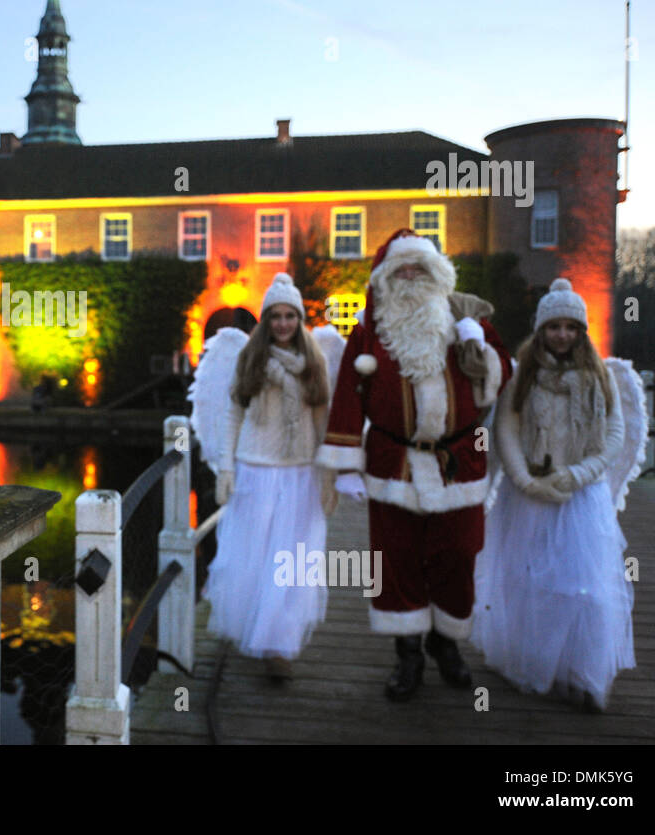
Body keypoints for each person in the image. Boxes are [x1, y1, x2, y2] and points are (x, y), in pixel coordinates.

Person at [316, 229, 512, 701]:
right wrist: (345, 466)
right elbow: (348, 393)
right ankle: (408, 655)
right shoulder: (369, 329)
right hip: (392, 461)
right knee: (397, 560)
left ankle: (446, 644)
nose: (410, 274)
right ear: (385, 276)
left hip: (457, 461)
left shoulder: (466, 319)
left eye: (418, 266)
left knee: (459, 555)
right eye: (401, 267)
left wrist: (479, 348)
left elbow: (499, 376)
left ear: (435, 272)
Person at [472, 278, 634, 712]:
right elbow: (505, 427)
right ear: (541, 330)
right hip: (529, 495)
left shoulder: (598, 376)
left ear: (580, 332)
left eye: (569, 327)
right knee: (531, 582)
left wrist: (580, 473)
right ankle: (533, 661)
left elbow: (614, 434)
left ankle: (583, 672)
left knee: (584, 587)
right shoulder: (522, 373)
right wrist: (524, 479)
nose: (561, 335)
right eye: (553, 327)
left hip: (581, 495)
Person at [204, 273, 338, 681]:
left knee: (292, 560)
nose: (282, 324)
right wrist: (226, 468)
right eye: (275, 316)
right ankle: (254, 627)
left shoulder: (314, 363)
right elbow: (234, 414)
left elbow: (323, 422)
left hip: (299, 474)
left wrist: (328, 476)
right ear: (265, 320)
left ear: (299, 319)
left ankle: (278, 644)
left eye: (290, 316)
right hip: (256, 471)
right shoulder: (250, 360)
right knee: (255, 557)